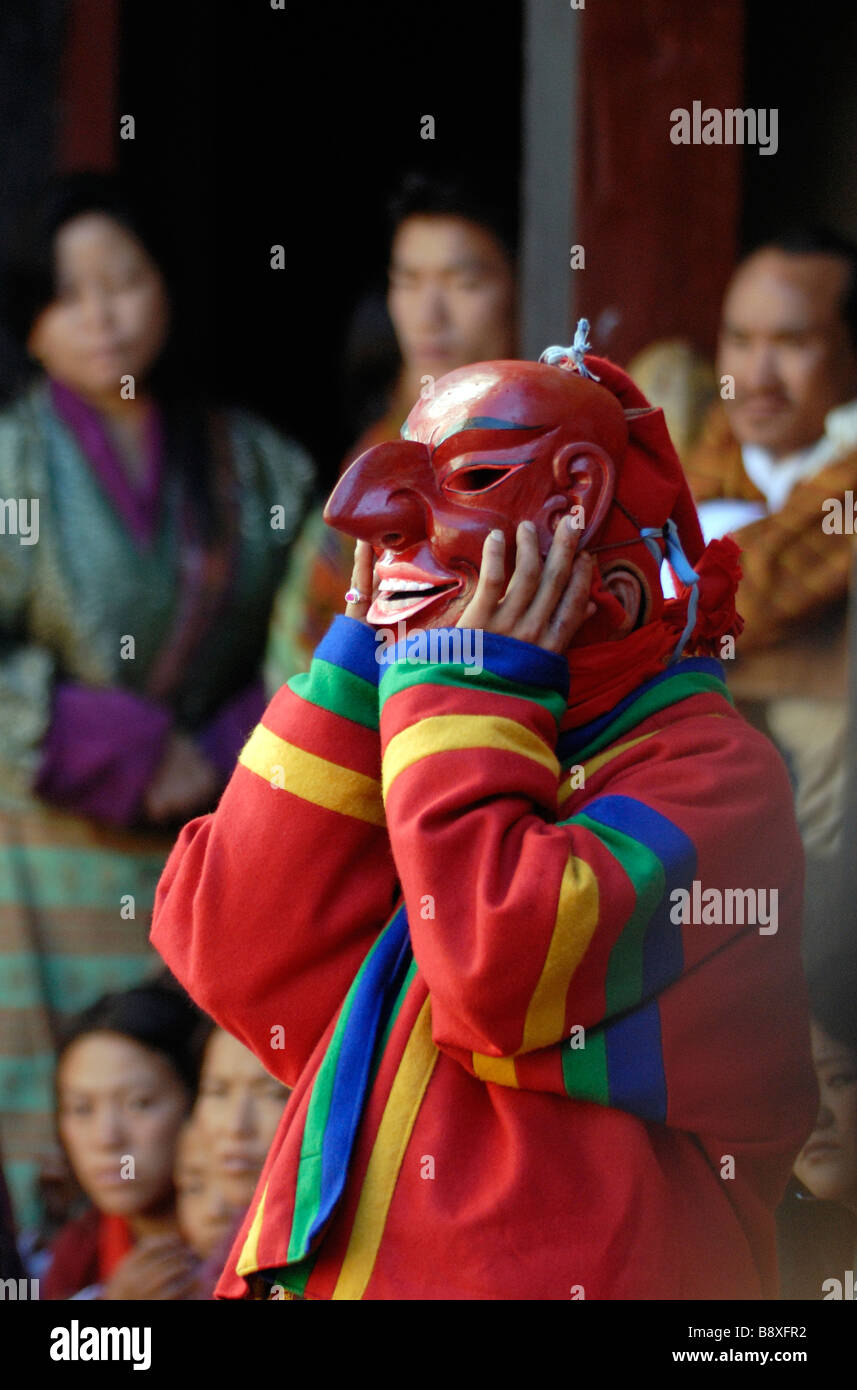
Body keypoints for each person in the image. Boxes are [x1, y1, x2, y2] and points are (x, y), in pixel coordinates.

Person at [152, 328, 816, 1300]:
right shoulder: (439, 718)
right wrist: (365, 640)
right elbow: (236, 951)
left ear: (579, 501)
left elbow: (493, 972)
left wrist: (465, 683)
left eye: (460, 482)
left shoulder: (712, 774)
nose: (365, 514)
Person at [0, 172, 315, 1229]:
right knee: (75, 1100)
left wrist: (228, 747)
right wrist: (122, 750)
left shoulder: (253, 457)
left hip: (209, 827)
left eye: (125, 280)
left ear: (165, 293)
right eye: (69, 292)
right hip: (45, 848)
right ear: (31, 323)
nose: (102, 314)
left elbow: (316, 628)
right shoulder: (13, 461)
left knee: (186, 1079)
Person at [264, 169, 517, 689]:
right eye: (408, 281)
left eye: (464, 283)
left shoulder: (561, 447)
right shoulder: (377, 457)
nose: (429, 315)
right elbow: (299, 658)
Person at [682, 230, 857, 963]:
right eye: (738, 339)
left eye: (791, 343)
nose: (755, 376)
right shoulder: (702, 446)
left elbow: (720, 601)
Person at [42, 982, 200, 1300]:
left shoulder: (259, 1244)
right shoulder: (75, 1255)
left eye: (139, 1103)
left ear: (196, 1103)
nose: (107, 1139)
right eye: (81, 1109)